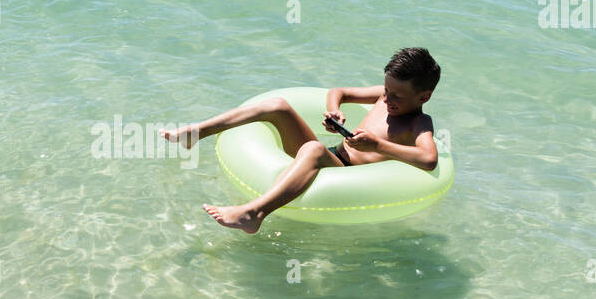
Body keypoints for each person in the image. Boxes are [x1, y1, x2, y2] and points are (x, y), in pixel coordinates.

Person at [162, 47, 441, 234]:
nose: (387, 99)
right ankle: (196, 133)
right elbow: (339, 90)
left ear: (423, 97)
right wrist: (335, 110)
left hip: (347, 173)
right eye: (387, 90)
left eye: (397, 96)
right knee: (277, 105)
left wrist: (378, 146)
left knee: (313, 148)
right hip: (335, 153)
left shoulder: (419, 123)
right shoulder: (384, 94)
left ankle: (254, 214)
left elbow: (429, 159)